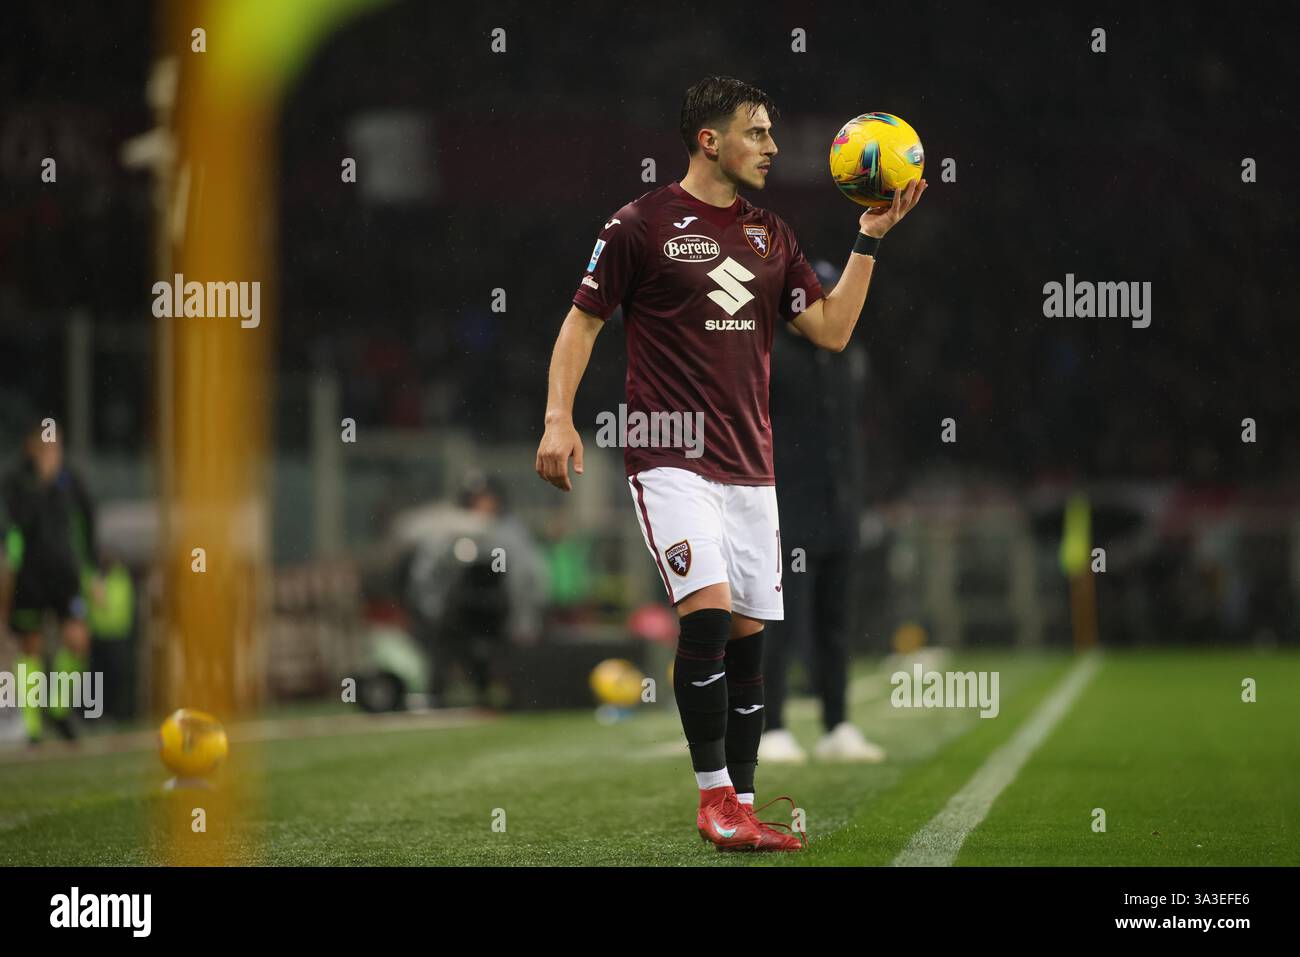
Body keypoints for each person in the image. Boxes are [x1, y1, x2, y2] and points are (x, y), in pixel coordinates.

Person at [535, 76, 926, 851]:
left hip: (751, 468)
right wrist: (558, 417)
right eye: (758, 133)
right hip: (668, 457)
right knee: (708, 614)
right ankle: (712, 797)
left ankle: (741, 806)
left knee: (750, 640)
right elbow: (582, 324)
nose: (774, 147)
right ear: (710, 140)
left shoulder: (771, 235)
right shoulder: (637, 225)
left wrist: (871, 236)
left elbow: (832, 330)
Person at [762, 260, 886, 763]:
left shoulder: (846, 355)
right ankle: (772, 728)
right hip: (785, 506)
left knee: (837, 622)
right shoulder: (768, 354)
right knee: (779, 621)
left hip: (839, 506)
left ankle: (837, 725)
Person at [0, 424, 101, 744]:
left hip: (65, 573)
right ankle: (32, 728)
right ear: (31, 446)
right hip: (29, 575)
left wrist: (93, 572)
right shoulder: (16, 480)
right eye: (43, 444)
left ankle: (58, 710)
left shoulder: (71, 478)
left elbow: (88, 520)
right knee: (30, 646)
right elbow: (15, 525)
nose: (49, 451)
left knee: (77, 640)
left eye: (54, 443)